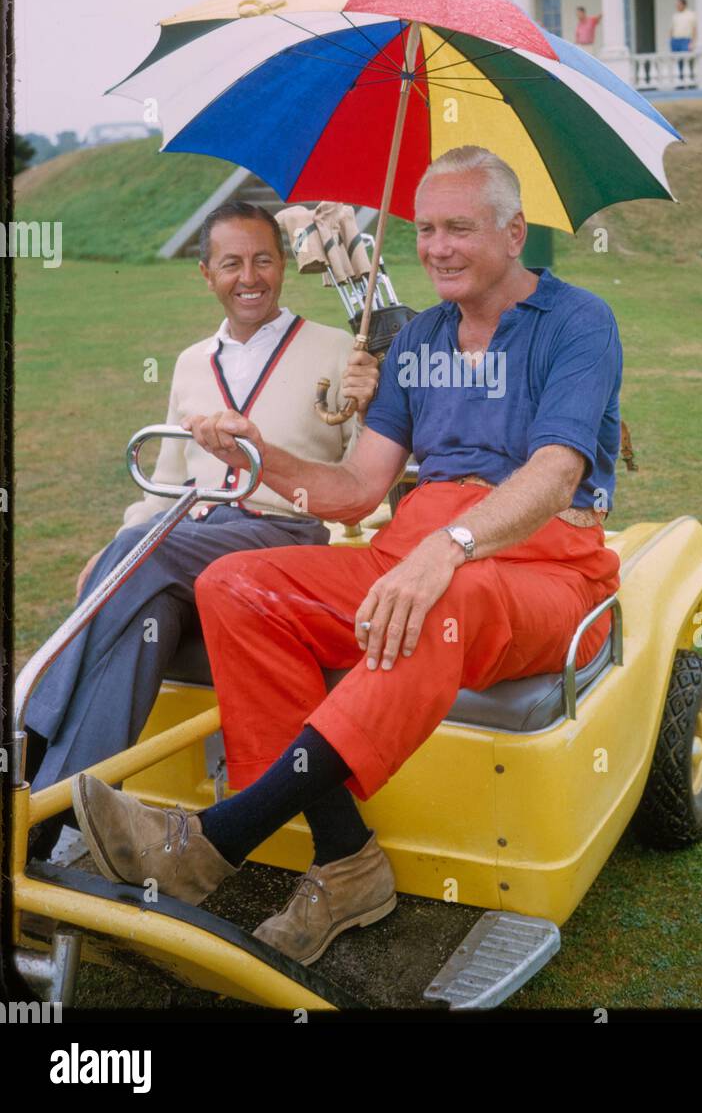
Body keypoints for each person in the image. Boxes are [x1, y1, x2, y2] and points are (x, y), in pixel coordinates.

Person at [72, 146, 623, 968]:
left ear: (514, 233)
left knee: (440, 600)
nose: (436, 248)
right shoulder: (420, 338)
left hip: (541, 564)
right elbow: (358, 490)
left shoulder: (578, 321)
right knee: (234, 584)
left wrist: (450, 547)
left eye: (459, 228)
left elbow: (556, 473)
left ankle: (211, 841)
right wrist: (259, 453)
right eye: (424, 229)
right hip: (416, 544)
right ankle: (346, 858)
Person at [26, 200, 378, 859]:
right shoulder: (192, 362)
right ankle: (59, 812)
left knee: (143, 559)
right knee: (143, 609)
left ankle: (31, 741)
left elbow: (367, 482)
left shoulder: (339, 349)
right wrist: (117, 546)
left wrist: (370, 398)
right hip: (185, 544)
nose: (250, 277)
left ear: (282, 265)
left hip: (281, 537)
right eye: (231, 263)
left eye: (263, 260)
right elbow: (164, 483)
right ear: (206, 274)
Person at [669, 0, 697, 84]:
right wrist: (671, 40)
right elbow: (672, 29)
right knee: (679, 61)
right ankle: (681, 80)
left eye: (679, 4)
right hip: (676, 40)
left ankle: (691, 79)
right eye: (676, 4)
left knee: (688, 59)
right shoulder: (675, 16)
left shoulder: (691, 15)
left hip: (686, 40)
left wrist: (692, 42)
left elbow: (694, 29)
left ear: (684, 5)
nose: (677, 6)